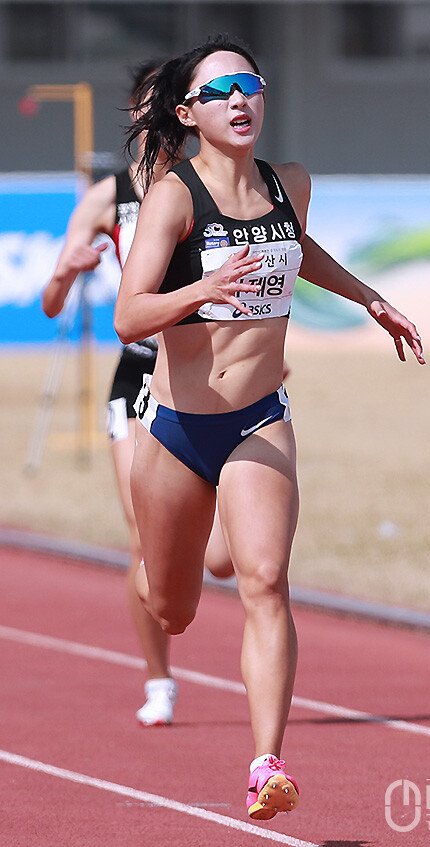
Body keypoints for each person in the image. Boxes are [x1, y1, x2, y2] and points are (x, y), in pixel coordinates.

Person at [115, 34, 425, 819]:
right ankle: (179, 554)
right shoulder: (174, 197)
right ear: (189, 113)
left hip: (260, 418)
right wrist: (204, 285)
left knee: (267, 581)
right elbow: (129, 315)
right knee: (172, 608)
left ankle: (266, 764)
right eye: (220, 92)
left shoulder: (290, 182)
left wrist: (367, 296)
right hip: (179, 429)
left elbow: (299, 247)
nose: (240, 99)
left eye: (249, 84)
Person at [42, 60, 235, 728]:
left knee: (217, 559)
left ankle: (219, 542)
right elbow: (48, 303)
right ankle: (160, 679)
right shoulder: (107, 196)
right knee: (144, 544)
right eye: (148, 103)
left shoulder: (210, 185)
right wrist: (66, 272)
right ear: (135, 114)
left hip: (210, 373)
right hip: (140, 378)